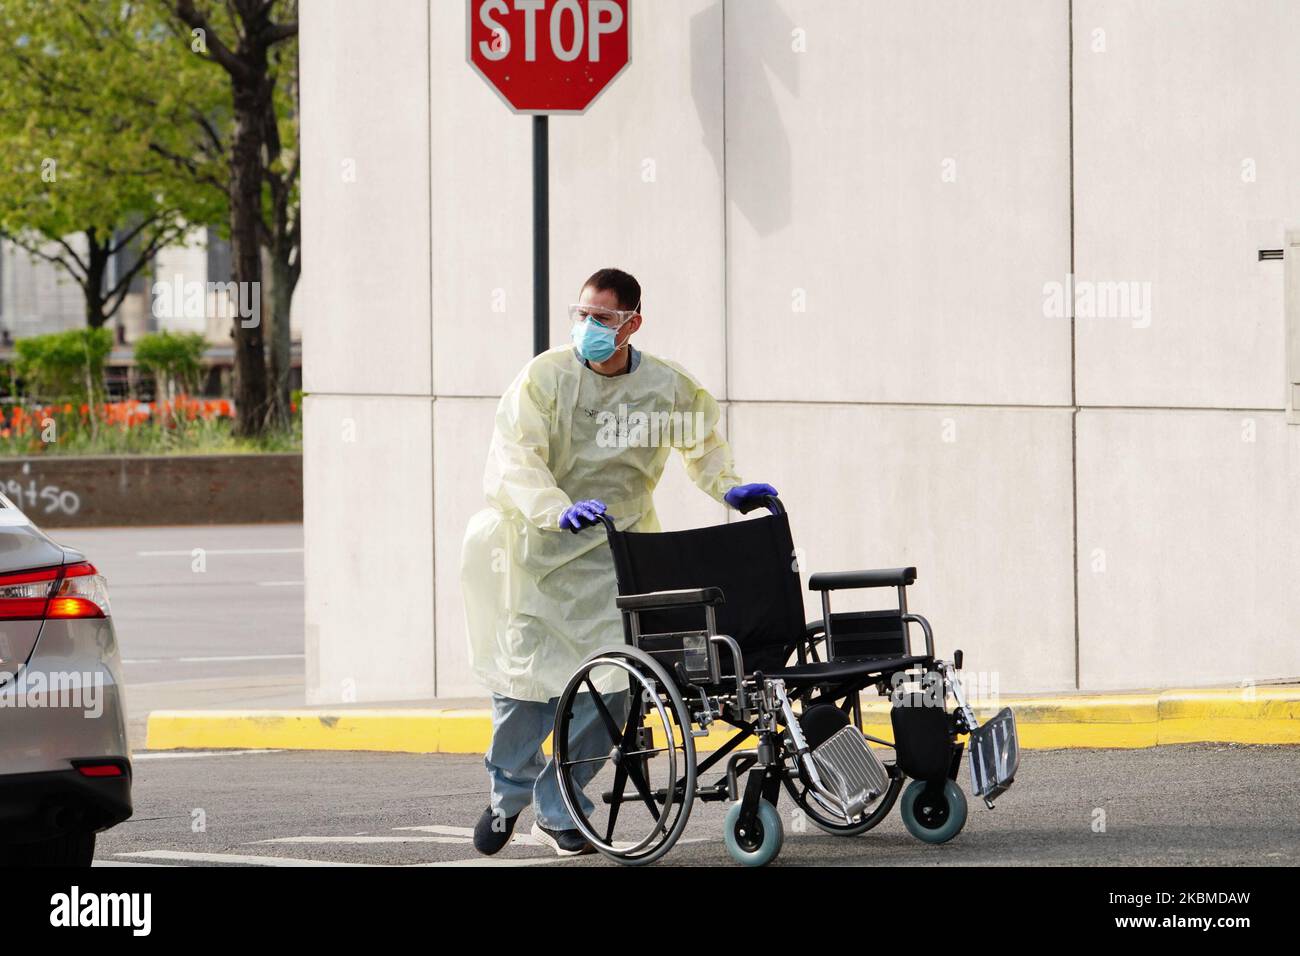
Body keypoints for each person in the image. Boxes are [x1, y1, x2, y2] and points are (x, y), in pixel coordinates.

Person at [461, 267, 778, 857]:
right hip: (541, 558)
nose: (588, 327)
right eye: (582, 315)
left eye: (602, 318)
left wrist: (726, 487)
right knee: (523, 693)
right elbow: (515, 456)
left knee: (614, 688)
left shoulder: (665, 388)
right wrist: (556, 509)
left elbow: (701, 442)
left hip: (618, 557)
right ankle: (507, 798)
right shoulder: (544, 379)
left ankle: (557, 809)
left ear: (633, 323)